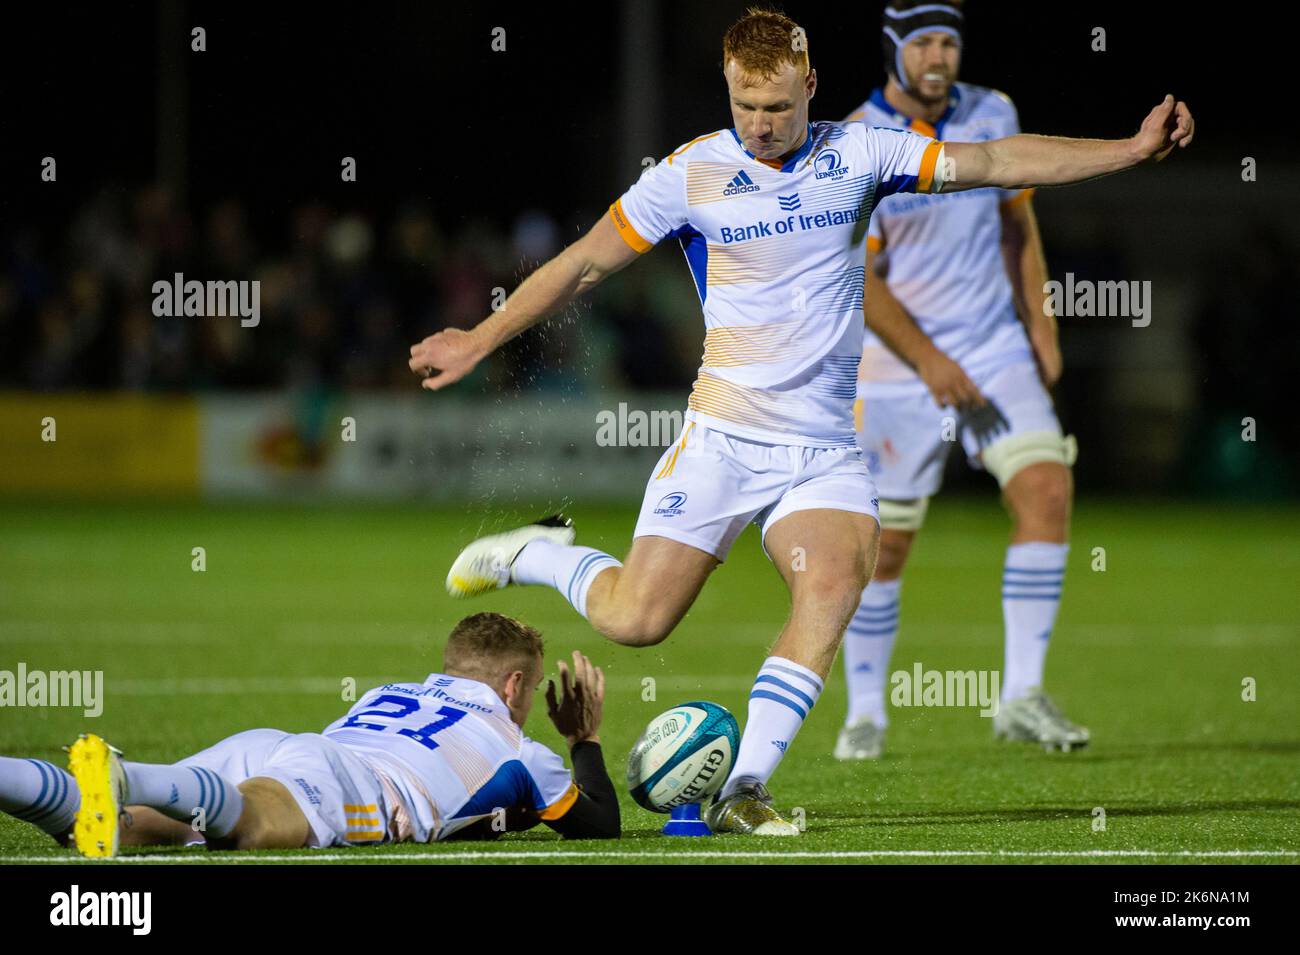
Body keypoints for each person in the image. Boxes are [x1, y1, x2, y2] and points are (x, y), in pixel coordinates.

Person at [409, 8, 1193, 835]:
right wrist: (480, 336)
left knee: (833, 580)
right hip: (721, 438)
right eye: (746, 106)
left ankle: (745, 785)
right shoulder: (690, 174)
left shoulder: (859, 152)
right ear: (728, 89)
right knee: (634, 621)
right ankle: (539, 552)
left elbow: (996, 159)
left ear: (810, 86)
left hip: (821, 448)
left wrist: (1129, 150)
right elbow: (582, 264)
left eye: (778, 107)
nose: (762, 124)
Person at [836, 1, 1088, 760]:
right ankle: (867, 711)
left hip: (994, 347)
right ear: (894, 50)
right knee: (885, 548)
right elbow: (863, 280)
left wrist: (1039, 324)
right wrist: (930, 361)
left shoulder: (992, 110)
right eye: (923, 43)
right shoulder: (855, 141)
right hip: (896, 367)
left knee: (1046, 489)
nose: (939, 56)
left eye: (948, 40)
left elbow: (1018, 222)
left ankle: (1020, 694)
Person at [0, 612, 617, 857]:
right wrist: (582, 738)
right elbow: (597, 825)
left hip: (274, 746)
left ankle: (41, 781)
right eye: (533, 691)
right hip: (344, 779)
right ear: (513, 687)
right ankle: (123, 773)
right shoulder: (520, 751)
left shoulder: (389, 693)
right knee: (251, 831)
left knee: (112, 831)